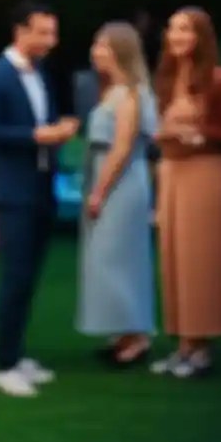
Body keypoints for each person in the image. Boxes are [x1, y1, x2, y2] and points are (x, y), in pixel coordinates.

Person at [0, 0, 79, 397]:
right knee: (15, 276)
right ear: (21, 31)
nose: (51, 41)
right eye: (44, 32)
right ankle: (4, 365)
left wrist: (60, 128)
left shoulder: (42, 74)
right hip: (12, 190)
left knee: (29, 277)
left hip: (41, 186)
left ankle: (16, 354)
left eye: (54, 32)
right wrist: (37, 136)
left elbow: (43, 124)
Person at [151, 7, 221, 379]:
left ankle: (202, 349)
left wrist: (196, 137)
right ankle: (184, 344)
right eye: (172, 29)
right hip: (172, 173)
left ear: (201, 36)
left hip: (204, 174)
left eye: (185, 29)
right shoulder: (169, 78)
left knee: (200, 260)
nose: (177, 36)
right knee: (173, 259)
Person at [77, 22, 157, 366]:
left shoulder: (131, 93)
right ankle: (123, 331)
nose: (95, 52)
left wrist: (99, 192)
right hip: (108, 175)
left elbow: (122, 147)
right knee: (109, 258)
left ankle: (137, 336)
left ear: (119, 51)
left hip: (120, 182)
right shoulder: (112, 90)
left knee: (119, 258)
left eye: (102, 46)